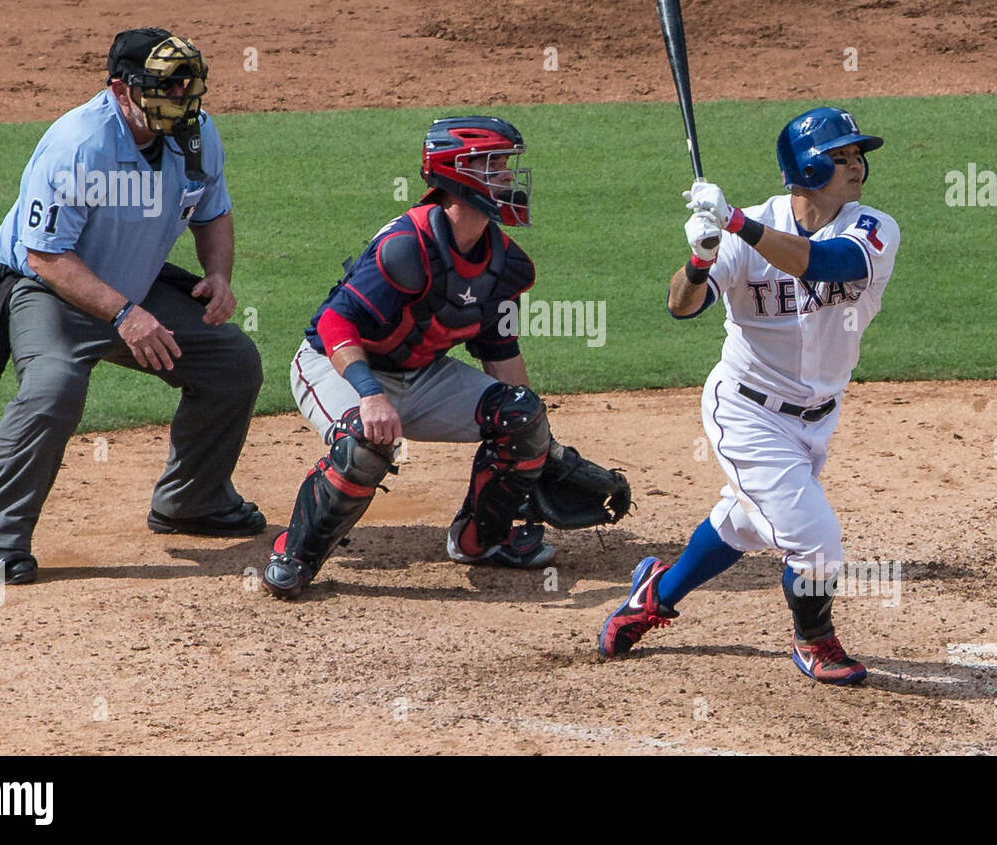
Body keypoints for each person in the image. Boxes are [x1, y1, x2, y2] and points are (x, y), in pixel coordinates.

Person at [598, 107, 900, 685]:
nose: (856, 165)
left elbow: (825, 265)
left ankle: (654, 594)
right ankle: (814, 641)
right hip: (744, 411)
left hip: (818, 417)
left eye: (858, 155)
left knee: (744, 522)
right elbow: (680, 307)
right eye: (841, 157)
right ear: (807, 167)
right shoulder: (743, 232)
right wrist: (702, 257)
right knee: (815, 542)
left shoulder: (872, 228)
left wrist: (735, 222)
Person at [0, 27, 264, 585]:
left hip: (136, 285)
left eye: (186, 84)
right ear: (122, 90)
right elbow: (46, 255)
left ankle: (190, 503)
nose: (181, 97)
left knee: (231, 360)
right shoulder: (80, 143)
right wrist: (124, 314)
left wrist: (218, 275)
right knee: (53, 386)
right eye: (166, 86)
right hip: (48, 289)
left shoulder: (193, 134)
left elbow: (212, 210)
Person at [263, 116, 557, 599]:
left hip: (423, 376)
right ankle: (295, 553)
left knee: (521, 416)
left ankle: (482, 539)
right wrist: (370, 394)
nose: (508, 178)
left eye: (508, 165)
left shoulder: (507, 264)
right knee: (363, 444)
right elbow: (336, 323)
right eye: (495, 166)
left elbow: (502, 356)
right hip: (336, 364)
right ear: (457, 175)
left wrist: (543, 445)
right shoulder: (405, 247)